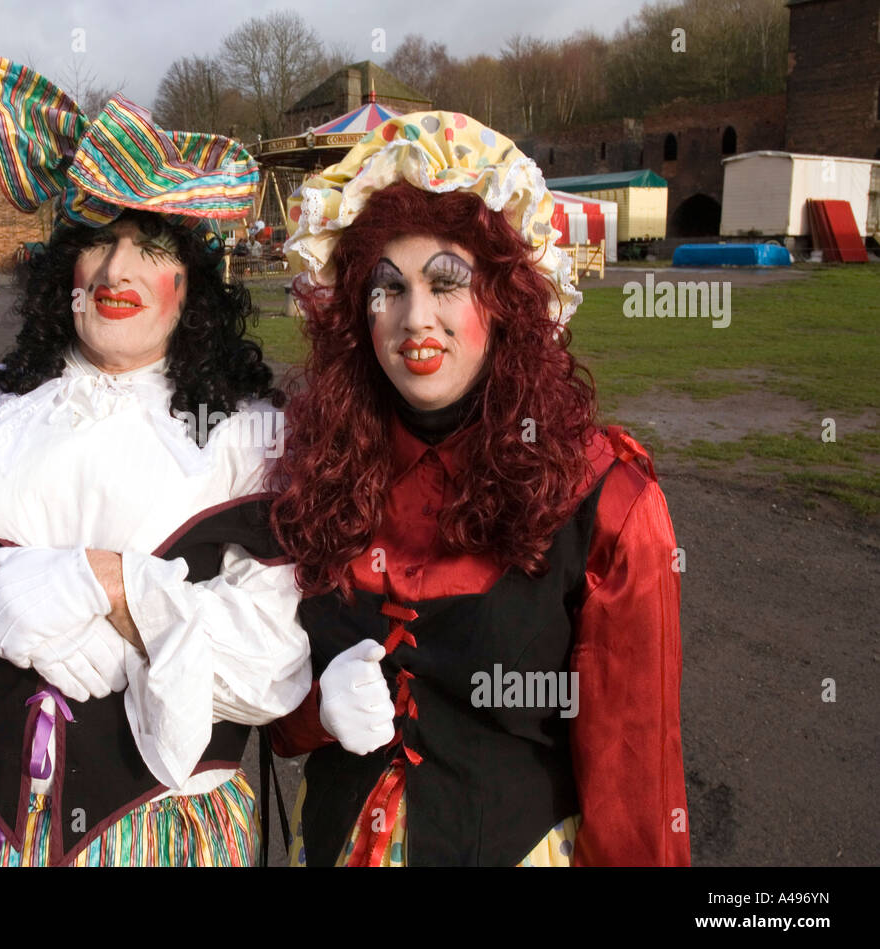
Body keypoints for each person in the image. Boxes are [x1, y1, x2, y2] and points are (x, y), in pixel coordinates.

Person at [0, 55, 309, 867]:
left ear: (191, 280)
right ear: (67, 270)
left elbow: (275, 662)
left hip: (163, 837)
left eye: (152, 246)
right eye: (98, 241)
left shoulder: (246, 435)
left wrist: (111, 589)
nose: (118, 269)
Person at [268, 111, 689, 866]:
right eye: (385, 288)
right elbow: (271, 715)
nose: (414, 319)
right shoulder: (316, 469)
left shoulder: (606, 499)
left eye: (447, 283)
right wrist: (315, 710)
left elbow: (636, 771)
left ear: (505, 299)